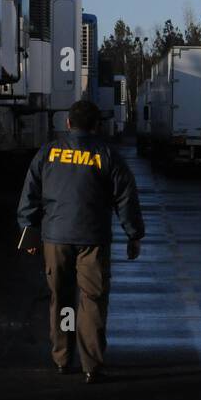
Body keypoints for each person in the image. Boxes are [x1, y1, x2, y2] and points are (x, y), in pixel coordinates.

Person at [17, 99, 144, 384]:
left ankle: (62, 359)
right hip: (93, 239)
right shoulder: (107, 155)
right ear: (97, 126)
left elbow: (30, 193)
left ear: (68, 123)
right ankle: (92, 365)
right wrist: (134, 234)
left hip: (55, 238)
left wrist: (29, 229)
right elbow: (126, 198)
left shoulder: (48, 153)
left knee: (61, 299)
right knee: (92, 302)